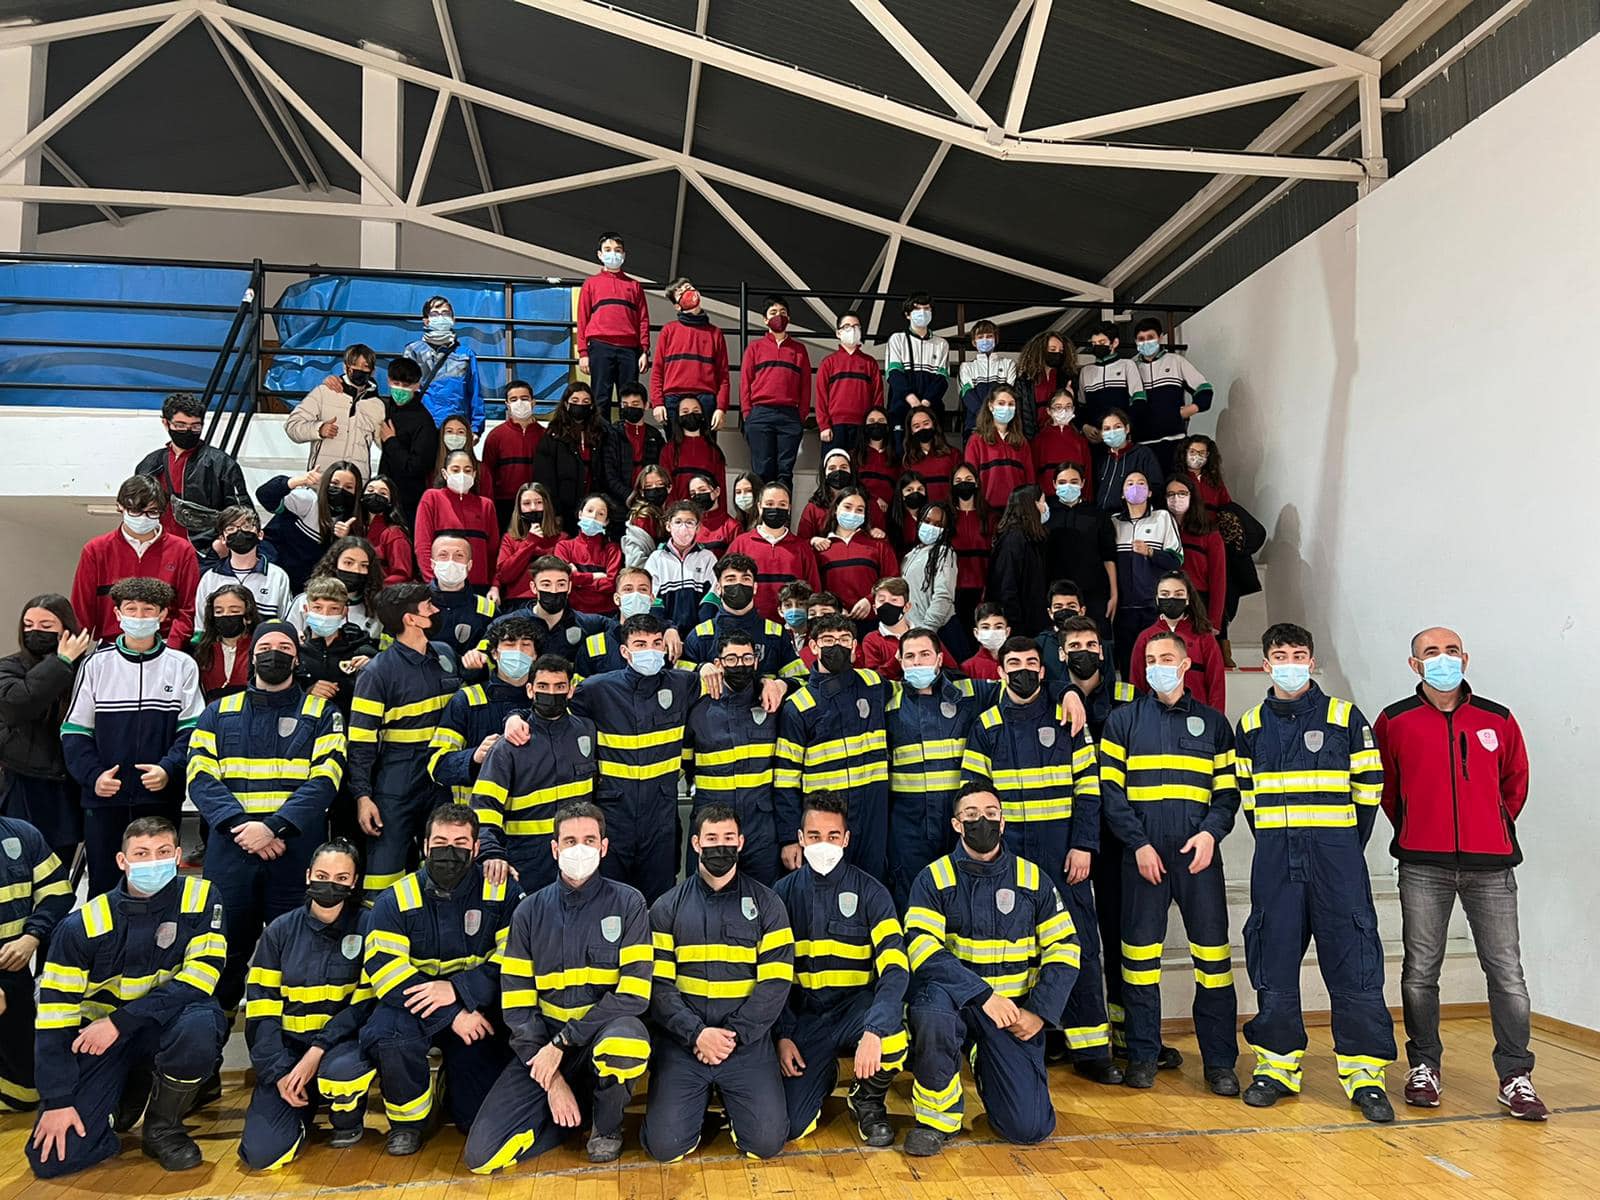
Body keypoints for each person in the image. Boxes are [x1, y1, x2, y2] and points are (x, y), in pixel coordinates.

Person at [1374, 627, 1544, 1120]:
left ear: (1465, 658)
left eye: (1451, 651)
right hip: (1422, 865)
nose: (1442, 659)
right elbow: (1387, 786)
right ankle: (1424, 1066)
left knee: (1507, 973)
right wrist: (1414, 827)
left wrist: (1491, 827)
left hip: (1491, 867)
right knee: (1420, 972)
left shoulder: (1498, 719)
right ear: (1415, 665)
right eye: (1431, 652)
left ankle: (1516, 1075)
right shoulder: (1394, 721)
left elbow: (1515, 783)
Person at [1235, 623, 1395, 1121]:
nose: (1289, 661)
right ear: (1265, 663)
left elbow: (1370, 792)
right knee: (1274, 961)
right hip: (1276, 863)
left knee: (1355, 961)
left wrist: (1341, 844)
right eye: (1279, 654)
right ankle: (1277, 1067)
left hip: (1337, 862)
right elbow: (1249, 803)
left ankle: (1364, 1073)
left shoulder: (1346, 718)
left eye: (1298, 653)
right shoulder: (1250, 725)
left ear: (1312, 660)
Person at [28, 816, 229, 1177]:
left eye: (162, 852)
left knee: (201, 1023)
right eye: (141, 853)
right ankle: (128, 1087)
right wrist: (58, 1100)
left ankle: (163, 1128)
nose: (153, 861)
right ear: (122, 861)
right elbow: (54, 1017)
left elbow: (201, 979)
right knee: (53, 1160)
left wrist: (121, 1022)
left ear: (178, 855)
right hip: (100, 1041)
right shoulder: (81, 925)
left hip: (158, 1026)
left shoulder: (202, 897)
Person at [962, 637, 1118, 1083]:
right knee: (1023, 951)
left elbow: (1089, 788)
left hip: (1063, 853)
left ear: (1044, 670)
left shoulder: (1066, 717)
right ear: (1000, 672)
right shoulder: (986, 725)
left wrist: (1084, 844)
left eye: (1032, 662)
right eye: (1014, 663)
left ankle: (1091, 1050)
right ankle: (1042, 1036)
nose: (1024, 669)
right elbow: (975, 796)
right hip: (1010, 859)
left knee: (1081, 946)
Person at [465, 801, 651, 1170]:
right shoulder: (529, 912)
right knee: (481, 1157)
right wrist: (551, 1081)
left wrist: (564, 1042)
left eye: (588, 839)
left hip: (597, 1036)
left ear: (604, 846)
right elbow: (517, 1008)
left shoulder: (629, 903)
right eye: (569, 841)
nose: (579, 849)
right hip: (543, 1046)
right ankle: (572, 1111)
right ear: (554, 849)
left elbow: (634, 995)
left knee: (626, 1041)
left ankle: (607, 1127)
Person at [902, 783, 1080, 1155]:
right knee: (930, 1013)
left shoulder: (1033, 880)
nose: (981, 821)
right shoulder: (932, 879)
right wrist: (983, 995)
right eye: (971, 816)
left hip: (1012, 1012)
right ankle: (937, 1120)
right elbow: (922, 950)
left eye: (990, 814)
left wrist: (1039, 1013)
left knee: (1029, 1128)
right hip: (956, 1004)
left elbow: (1065, 948)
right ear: (956, 824)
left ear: (1002, 821)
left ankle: (985, 1060)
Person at [1099, 629, 1240, 1094]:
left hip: (1198, 859)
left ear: (1184, 666)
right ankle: (1142, 1055)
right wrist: (1137, 843)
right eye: (1150, 658)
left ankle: (1220, 1063)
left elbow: (1227, 793)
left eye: (1166, 657)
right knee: (1139, 964)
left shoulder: (1215, 725)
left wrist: (1210, 834)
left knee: (1214, 964)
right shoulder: (1122, 722)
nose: (1157, 664)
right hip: (1142, 860)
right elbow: (1111, 793)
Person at [187, 620, 346, 1015]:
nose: (274, 652)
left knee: (295, 960)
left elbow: (327, 778)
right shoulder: (216, 712)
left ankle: (283, 1058)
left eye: (284, 646)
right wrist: (245, 830)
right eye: (266, 645)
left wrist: (272, 828)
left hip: (293, 853)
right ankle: (206, 1057)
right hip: (231, 853)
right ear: (252, 654)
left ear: (296, 656)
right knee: (222, 957)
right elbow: (200, 778)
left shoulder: (322, 712)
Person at [361, 804, 521, 1155]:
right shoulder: (394, 900)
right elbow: (387, 974)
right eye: (441, 842)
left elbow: (512, 963)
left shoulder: (502, 892)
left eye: (461, 842)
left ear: (477, 848)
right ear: (424, 845)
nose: (450, 852)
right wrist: (452, 1014)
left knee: (473, 1118)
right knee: (390, 1035)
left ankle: (455, 1086)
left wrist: (458, 992)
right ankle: (407, 1124)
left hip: (478, 1006)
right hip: (413, 1008)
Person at [640, 805, 795, 1163]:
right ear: (695, 843)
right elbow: (659, 988)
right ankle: (698, 1108)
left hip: (745, 1045)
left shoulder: (768, 904)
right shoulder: (665, 908)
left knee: (767, 1144)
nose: (720, 847)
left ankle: (728, 1100)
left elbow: (775, 985)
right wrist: (696, 1035)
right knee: (664, 1148)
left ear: (741, 842)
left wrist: (732, 1037)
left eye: (728, 838)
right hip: (685, 1045)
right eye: (711, 839)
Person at [774, 792, 908, 1144]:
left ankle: (868, 1096)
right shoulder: (780, 896)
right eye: (814, 837)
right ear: (801, 839)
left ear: (846, 840)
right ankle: (825, 1075)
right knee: (790, 1127)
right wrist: (784, 1034)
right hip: (804, 1022)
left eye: (833, 837)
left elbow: (895, 969)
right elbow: (771, 978)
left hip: (855, 1012)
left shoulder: (873, 893)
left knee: (893, 1036)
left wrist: (875, 1029)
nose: (823, 845)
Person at [237, 839, 377, 1168]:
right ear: (308, 875)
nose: (331, 884)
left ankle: (347, 1119)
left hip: (340, 1049)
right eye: (323, 875)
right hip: (288, 1054)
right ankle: (299, 1112)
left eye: (342, 878)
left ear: (354, 882)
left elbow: (365, 1005)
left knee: (341, 1071)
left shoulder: (369, 925)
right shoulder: (279, 931)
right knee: (261, 1156)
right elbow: (261, 1009)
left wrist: (317, 1051)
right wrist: (279, 1071)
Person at [61, 578, 204, 896]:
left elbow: (193, 732)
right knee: (104, 886)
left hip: (159, 797)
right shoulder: (96, 665)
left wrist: (169, 768)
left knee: (158, 884)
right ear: (117, 614)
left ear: (163, 615)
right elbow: (74, 731)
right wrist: (93, 776)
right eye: (131, 609)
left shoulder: (182, 666)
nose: (139, 617)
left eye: (148, 610)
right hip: (105, 799)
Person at [348, 583, 459, 901]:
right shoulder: (377, 673)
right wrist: (363, 796)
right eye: (428, 607)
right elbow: (361, 742)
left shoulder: (445, 655)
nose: (435, 611)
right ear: (411, 619)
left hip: (442, 775)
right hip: (396, 777)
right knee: (386, 867)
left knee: (443, 859)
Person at [775, 615, 892, 881]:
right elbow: (785, 780)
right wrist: (788, 837)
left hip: (873, 814)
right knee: (824, 890)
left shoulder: (873, 684)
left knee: (872, 888)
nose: (836, 646)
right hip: (824, 821)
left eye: (843, 639)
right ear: (813, 646)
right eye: (828, 640)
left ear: (854, 646)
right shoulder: (798, 706)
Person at [472, 655, 597, 890]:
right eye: (543, 686)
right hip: (527, 862)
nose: (551, 693)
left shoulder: (587, 732)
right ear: (530, 690)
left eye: (559, 686)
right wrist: (491, 853)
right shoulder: (508, 746)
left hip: (579, 857)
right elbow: (484, 809)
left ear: (570, 690)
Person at [883, 630, 985, 909]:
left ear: (940, 659)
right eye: (911, 656)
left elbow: (1021, 692)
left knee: (963, 898)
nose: (918, 662)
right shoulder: (887, 699)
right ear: (900, 661)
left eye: (925, 654)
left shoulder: (968, 693)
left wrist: (1067, 691)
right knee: (912, 898)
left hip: (957, 820)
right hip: (908, 826)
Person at [680, 630, 784, 886]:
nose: (741, 665)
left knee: (765, 897)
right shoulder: (698, 708)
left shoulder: (772, 703)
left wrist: (782, 683)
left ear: (756, 662)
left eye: (747, 658)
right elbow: (685, 763)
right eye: (732, 659)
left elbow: (806, 681)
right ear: (718, 664)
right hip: (711, 823)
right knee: (706, 894)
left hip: (762, 826)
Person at [1, 596, 93, 863]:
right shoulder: (9, 666)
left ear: (66, 628)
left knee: (58, 871)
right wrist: (61, 662)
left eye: (45, 625)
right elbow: (18, 705)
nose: (35, 631)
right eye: (28, 624)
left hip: (69, 784)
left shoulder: (87, 669)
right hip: (22, 782)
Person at [71, 475, 199, 649]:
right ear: (120, 507)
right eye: (136, 511)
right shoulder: (96, 550)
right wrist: (74, 655)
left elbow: (189, 609)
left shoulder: (182, 551)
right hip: (110, 648)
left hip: (166, 647)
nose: (143, 518)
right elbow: (82, 611)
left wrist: (172, 649)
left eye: (152, 512)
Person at [427, 614, 541, 808]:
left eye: (525, 645)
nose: (518, 651)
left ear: (535, 655)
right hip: (477, 819)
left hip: (530, 822)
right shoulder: (467, 700)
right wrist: (473, 757)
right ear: (495, 653)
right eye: (510, 644)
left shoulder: (545, 699)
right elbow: (437, 765)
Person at [135, 391, 250, 555]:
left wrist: (219, 546)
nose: (188, 431)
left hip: (203, 552)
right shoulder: (151, 463)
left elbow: (242, 510)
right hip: (157, 548)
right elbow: (136, 506)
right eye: (180, 426)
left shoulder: (221, 463)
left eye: (196, 426)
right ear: (166, 423)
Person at [1110, 470, 1183, 680]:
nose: (1135, 487)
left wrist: (1151, 552)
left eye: (1141, 483)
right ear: (1123, 493)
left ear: (1150, 492)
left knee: (1156, 659)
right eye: (1129, 484)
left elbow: (1177, 559)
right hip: (1123, 608)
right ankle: (1129, 706)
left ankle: (1157, 704)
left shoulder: (1162, 518)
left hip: (1152, 606)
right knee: (1127, 664)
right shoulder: (1114, 523)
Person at [679, 553, 801, 678]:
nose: (738, 584)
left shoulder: (776, 635)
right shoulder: (700, 636)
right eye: (731, 579)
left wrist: (782, 685)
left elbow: (800, 679)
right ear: (718, 588)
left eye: (745, 579)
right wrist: (700, 668)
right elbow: (680, 681)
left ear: (755, 587)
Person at [531, 383, 632, 531]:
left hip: (594, 507)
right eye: (575, 400)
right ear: (566, 404)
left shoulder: (602, 433)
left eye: (586, 402)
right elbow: (545, 479)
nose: (580, 405)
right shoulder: (553, 435)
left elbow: (608, 471)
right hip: (564, 509)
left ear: (592, 406)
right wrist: (555, 511)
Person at [741, 296, 812, 494]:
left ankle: (783, 518)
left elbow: (806, 385)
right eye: (773, 313)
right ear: (764, 319)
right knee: (762, 470)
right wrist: (748, 414)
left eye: (782, 312)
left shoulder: (799, 350)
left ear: (789, 317)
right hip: (760, 413)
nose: (778, 316)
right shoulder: (754, 348)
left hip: (790, 415)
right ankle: (761, 519)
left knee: (785, 472)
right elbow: (745, 382)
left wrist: (801, 415)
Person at [259, 461, 365, 592]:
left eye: (348, 487)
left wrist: (342, 541)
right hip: (271, 575)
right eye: (334, 484)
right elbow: (265, 496)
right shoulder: (307, 500)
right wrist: (295, 481)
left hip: (305, 588)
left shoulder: (352, 522)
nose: (340, 490)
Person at [1127, 571, 1226, 710]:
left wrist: (1216, 721)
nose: (1171, 599)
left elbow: (1217, 684)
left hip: (1198, 717)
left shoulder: (1204, 636)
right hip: (1155, 717)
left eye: (1178, 594)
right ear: (1156, 599)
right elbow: (1137, 683)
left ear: (1187, 599)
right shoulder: (1145, 637)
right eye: (1165, 594)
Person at [577, 233, 650, 420]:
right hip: (600, 346)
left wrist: (644, 350)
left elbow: (643, 319)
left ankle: (629, 438)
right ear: (599, 255)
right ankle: (601, 440)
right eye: (608, 250)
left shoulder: (634, 286)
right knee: (600, 396)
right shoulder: (590, 284)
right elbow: (583, 319)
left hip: (629, 349)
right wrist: (583, 353)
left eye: (617, 251)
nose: (613, 255)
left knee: (630, 397)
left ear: (624, 255)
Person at [286, 343, 386, 474]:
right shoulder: (323, 392)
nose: (358, 370)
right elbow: (292, 426)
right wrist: (319, 429)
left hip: (355, 484)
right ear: (345, 367)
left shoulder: (377, 405)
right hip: (320, 480)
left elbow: (384, 443)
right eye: (354, 364)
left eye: (365, 366)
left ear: (372, 371)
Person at [292, 576, 379, 725]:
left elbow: (383, 678)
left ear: (344, 612)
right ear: (306, 609)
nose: (325, 615)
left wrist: (373, 667)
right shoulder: (296, 648)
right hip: (305, 729)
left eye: (334, 609)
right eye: (317, 607)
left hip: (351, 729)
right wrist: (307, 691)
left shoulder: (359, 645)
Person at [1131, 318, 1212, 473]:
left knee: (1176, 488)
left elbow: (1205, 389)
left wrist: (1189, 410)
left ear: (1160, 337)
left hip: (1175, 442)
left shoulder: (1176, 361)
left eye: (1150, 337)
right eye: (1141, 339)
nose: (1146, 342)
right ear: (1135, 341)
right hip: (1142, 444)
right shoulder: (1132, 367)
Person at [1045, 463, 1118, 634]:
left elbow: (1109, 557)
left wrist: (1114, 594)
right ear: (1054, 484)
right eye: (1062, 482)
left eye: (1073, 481)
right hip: (1055, 593)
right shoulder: (1046, 514)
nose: (1068, 486)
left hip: (1094, 593)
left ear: (1083, 483)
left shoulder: (1098, 514)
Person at [729, 483, 821, 619]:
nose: (775, 509)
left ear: (789, 508)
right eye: (770, 504)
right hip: (750, 627)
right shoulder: (741, 544)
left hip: (790, 629)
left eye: (782, 504)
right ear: (760, 507)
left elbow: (814, 592)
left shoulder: (802, 548)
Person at [652, 277, 730, 432]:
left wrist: (721, 408)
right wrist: (658, 403)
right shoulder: (668, 330)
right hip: (672, 398)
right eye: (680, 292)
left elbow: (723, 376)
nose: (687, 292)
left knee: (706, 450)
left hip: (706, 398)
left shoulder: (715, 333)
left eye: (689, 287)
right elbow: (657, 370)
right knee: (675, 450)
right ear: (677, 306)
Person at [416, 450, 500, 591]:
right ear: (445, 473)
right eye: (455, 469)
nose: (462, 474)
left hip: (479, 585)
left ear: (474, 474)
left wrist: (494, 585)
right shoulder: (432, 498)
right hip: (441, 585)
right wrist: (432, 582)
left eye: (467, 470)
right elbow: (422, 545)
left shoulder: (486, 505)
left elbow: (493, 551)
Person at [815, 488, 900, 623]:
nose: (853, 513)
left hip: (872, 621)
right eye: (848, 507)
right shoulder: (821, 548)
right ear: (836, 509)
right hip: (832, 624)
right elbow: (816, 587)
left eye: (860, 510)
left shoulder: (879, 545)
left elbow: (893, 581)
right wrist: (834, 607)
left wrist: (870, 600)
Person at [196, 504, 291, 621]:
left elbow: (284, 623)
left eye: (246, 527)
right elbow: (201, 626)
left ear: (260, 534)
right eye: (231, 529)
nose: (239, 532)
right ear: (223, 539)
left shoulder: (277, 576)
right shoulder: (210, 578)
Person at [404, 295, 483, 433]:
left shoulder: (465, 354)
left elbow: (475, 393)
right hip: (420, 427)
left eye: (445, 313)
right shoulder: (413, 351)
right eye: (435, 314)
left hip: (455, 428)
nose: (440, 318)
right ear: (426, 321)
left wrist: (476, 429)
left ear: (453, 320)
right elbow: (404, 392)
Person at [375, 356, 438, 524]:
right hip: (382, 496)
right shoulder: (385, 408)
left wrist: (391, 441)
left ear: (417, 385)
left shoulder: (424, 421)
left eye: (406, 385)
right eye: (396, 383)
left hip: (408, 503)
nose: (400, 389)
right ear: (388, 381)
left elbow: (416, 467)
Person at [518, 557, 611, 665]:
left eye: (561, 584)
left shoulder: (589, 624)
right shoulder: (511, 623)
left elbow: (621, 631)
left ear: (569, 587)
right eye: (546, 585)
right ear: (533, 587)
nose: (554, 590)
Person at [1164, 474, 1226, 633]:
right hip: (1165, 601)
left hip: (1199, 603)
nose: (1176, 498)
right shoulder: (1160, 529)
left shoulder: (1209, 533)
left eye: (1182, 493)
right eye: (1170, 494)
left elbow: (1218, 578)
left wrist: (1214, 621)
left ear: (1192, 496)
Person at [286, 536, 383, 638]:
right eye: (348, 563)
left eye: (363, 565)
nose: (356, 570)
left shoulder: (374, 607)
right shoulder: (304, 601)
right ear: (334, 564)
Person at [480, 378, 545, 530]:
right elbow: (487, 473)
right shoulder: (495, 436)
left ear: (533, 402)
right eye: (514, 399)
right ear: (507, 405)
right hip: (504, 504)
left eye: (524, 398)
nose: (520, 403)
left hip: (537, 505)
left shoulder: (546, 436)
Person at [813, 311, 882, 454]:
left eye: (856, 326)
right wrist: (823, 425)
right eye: (847, 327)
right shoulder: (828, 362)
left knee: (861, 470)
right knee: (834, 470)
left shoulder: (870, 363)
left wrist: (875, 425)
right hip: (834, 427)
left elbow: (878, 396)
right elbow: (820, 397)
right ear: (838, 333)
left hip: (863, 426)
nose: (853, 330)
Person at [988, 486, 1051, 638]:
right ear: (1032, 505)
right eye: (1043, 501)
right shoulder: (1014, 540)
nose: (1045, 507)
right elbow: (1007, 588)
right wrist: (1016, 627)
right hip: (1019, 628)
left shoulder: (1029, 538)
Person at [645, 501, 717, 634]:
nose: (683, 527)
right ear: (668, 526)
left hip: (700, 633)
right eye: (678, 522)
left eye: (690, 523)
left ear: (698, 527)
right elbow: (652, 598)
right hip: (666, 633)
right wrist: (666, 628)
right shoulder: (656, 558)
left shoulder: (707, 557)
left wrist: (702, 630)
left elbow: (713, 595)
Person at [885, 292, 950, 438]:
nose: (923, 313)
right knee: (900, 452)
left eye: (926, 309)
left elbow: (942, 379)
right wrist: (913, 401)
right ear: (908, 315)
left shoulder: (941, 344)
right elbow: (894, 374)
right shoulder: (897, 339)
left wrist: (925, 404)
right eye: (917, 309)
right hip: (901, 408)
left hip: (932, 410)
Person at [426, 535, 497, 667]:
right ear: (432, 563)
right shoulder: (413, 603)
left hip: (469, 684)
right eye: (443, 555)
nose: (451, 562)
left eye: (459, 556)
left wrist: (478, 660)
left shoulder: (488, 609)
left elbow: (495, 657)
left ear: (469, 565)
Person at [963, 384, 1034, 510]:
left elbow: (1030, 480)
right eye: (1001, 403)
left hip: (1017, 512)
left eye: (1011, 404)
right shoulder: (976, 441)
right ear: (990, 406)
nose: (1006, 408)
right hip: (986, 512)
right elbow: (970, 479)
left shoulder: (1022, 442)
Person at [554, 494, 623, 615]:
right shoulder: (564, 546)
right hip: (573, 611)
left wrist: (579, 579)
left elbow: (612, 584)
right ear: (580, 514)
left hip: (607, 612)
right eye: (590, 511)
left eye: (600, 514)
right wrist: (595, 576)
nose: (593, 516)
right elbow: (563, 580)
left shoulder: (612, 549)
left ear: (606, 521)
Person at [494, 482, 561, 606]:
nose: (533, 508)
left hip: (552, 600)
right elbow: (505, 576)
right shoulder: (510, 538)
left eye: (538, 502)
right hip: (517, 602)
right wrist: (530, 542)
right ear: (519, 508)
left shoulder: (562, 539)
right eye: (526, 503)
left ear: (547, 505)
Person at [899, 501, 958, 638]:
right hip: (914, 629)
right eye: (927, 521)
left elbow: (943, 595)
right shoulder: (911, 554)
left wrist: (928, 628)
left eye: (938, 525)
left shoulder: (944, 553)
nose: (931, 527)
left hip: (938, 631)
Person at [192, 584, 258, 701]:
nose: (225, 615)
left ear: (248, 616)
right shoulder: (202, 651)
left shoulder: (259, 648)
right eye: (219, 611)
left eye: (234, 611)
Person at [1077, 323, 1145, 434]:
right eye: (1094, 343)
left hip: (1122, 434)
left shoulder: (1127, 365)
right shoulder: (1086, 371)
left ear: (1115, 343)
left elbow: (1139, 401)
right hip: (1095, 437)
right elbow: (1082, 407)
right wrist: (1085, 427)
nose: (1097, 346)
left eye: (1102, 342)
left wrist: (1125, 428)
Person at [657, 395, 726, 501]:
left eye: (696, 410)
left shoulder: (714, 451)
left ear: (703, 415)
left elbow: (721, 491)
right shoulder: (668, 450)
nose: (691, 414)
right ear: (678, 417)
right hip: (677, 513)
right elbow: (666, 487)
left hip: (708, 514)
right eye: (685, 411)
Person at [1094, 408, 1163, 512]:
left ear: (1127, 428)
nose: (1112, 432)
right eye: (1107, 429)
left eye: (1117, 427)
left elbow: (1156, 487)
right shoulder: (1102, 458)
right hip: (1103, 519)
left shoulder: (1142, 454)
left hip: (1131, 518)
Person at [956, 319, 1017, 437]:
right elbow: (967, 394)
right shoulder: (966, 367)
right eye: (980, 337)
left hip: (1003, 425)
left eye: (989, 336)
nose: (985, 340)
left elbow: (1009, 394)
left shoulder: (1008, 364)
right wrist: (985, 418)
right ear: (974, 342)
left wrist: (996, 419)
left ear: (996, 339)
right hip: (974, 426)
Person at [1034, 389, 1094, 499]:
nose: (1063, 411)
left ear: (1073, 409)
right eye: (1058, 407)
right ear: (1049, 411)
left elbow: (1088, 477)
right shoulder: (1039, 441)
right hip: (1048, 503)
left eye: (1068, 407)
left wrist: (1087, 504)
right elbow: (1034, 476)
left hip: (1077, 504)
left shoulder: (1081, 441)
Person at [1015, 330, 1074, 438]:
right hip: (1030, 438)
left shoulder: (1065, 378)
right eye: (1052, 349)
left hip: (1058, 437)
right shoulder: (1025, 379)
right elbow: (1021, 413)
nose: (1057, 354)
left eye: (1060, 351)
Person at [357, 475, 415, 585]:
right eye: (370, 490)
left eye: (383, 493)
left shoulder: (394, 533)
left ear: (390, 502)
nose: (375, 495)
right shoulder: (357, 527)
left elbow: (402, 575)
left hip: (381, 594)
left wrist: (375, 589)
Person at [901, 408, 959, 506]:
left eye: (926, 423)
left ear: (934, 424)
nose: (922, 428)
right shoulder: (907, 461)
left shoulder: (953, 454)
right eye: (916, 426)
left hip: (948, 513)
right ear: (911, 431)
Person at [615, 381, 664, 485]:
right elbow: (609, 474)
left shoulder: (655, 435)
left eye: (635, 404)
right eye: (625, 404)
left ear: (646, 405)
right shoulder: (613, 433)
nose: (630, 407)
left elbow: (660, 468)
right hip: (619, 496)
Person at [622, 463, 670, 567]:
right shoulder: (643, 517)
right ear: (642, 491)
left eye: (660, 484)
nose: (654, 489)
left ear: (669, 487)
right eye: (648, 486)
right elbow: (635, 560)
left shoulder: (669, 512)